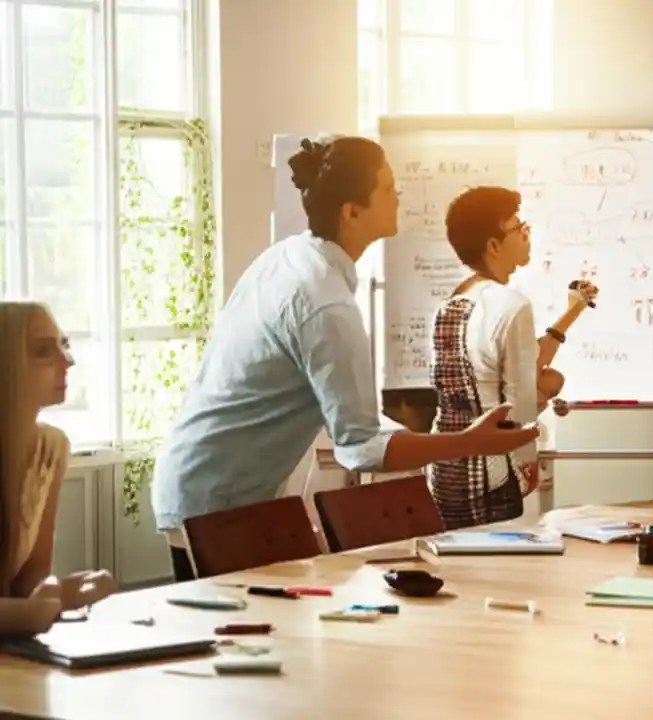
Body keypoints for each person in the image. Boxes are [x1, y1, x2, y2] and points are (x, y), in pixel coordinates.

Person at [152, 138, 537, 580]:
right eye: (389, 188)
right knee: (244, 640)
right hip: (215, 502)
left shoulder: (288, 257)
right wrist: (471, 443)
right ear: (351, 212)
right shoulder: (325, 303)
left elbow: (353, 424)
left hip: (214, 485)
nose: (400, 196)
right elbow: (360, 449)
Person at [430, 186, 597, 529]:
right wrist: (527, 462)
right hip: (493, 471)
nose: (526, 235)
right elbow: (519, 401)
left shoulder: (452, 304)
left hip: (445, 469)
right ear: (494, 245)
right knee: (498, 569)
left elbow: (520, 360)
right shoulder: (513, 304)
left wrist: (572, 311)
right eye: (518, 228)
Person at [0, 301, 115, 636]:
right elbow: (26, 610)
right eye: (43, 351)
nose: (68, 361)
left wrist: (62, 594)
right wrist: (34, 611)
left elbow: (27, 589)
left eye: (64, 345)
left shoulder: (51, 449)